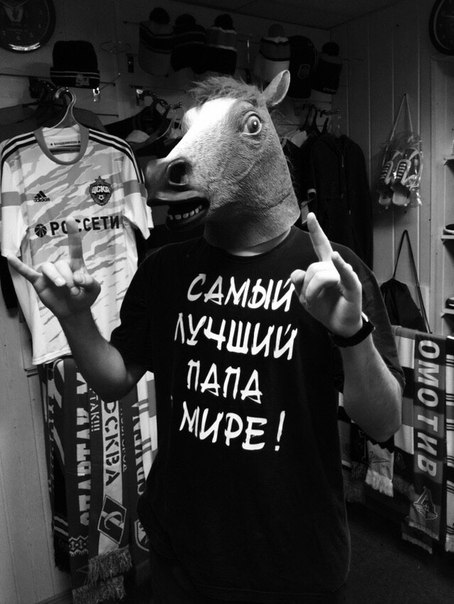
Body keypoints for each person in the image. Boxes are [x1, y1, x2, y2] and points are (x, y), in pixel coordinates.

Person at [7, 71, 403, 604]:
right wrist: (76, 320)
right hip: (182, 551)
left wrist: (352, 335)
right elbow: (114, 380)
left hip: (294, 559)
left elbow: (383, 421)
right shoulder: (164, 268)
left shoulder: (332, 270)